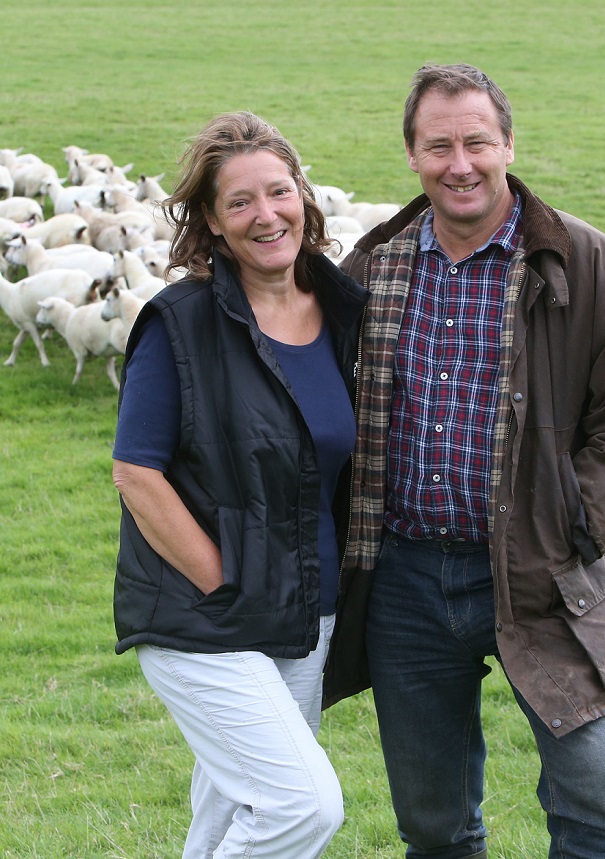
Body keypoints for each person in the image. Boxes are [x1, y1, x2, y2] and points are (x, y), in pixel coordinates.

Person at [325, 64, 605, 858]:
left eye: (477, 142)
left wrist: (574, 519)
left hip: (548, 575)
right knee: (434, 823)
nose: (460, 163)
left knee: (595, 803)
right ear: (412, 155)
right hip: (407, 581)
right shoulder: (375, 268)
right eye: (438, 144)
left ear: (509, 145)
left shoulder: (583, 264)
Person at [111, 111, 368, 858]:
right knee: (302, 806)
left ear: (304, 196)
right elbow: (136, 470)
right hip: (208, 618)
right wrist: (221, 578)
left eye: (279, 191)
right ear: (213, 225)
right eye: (240, 203)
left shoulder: (343, 311)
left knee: (230, 816)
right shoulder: (180, 324)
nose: (267, 215)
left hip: (305, 613)